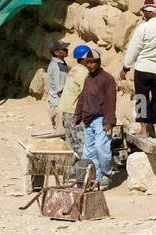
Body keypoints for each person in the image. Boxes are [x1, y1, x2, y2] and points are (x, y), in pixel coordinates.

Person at [121, 0, 156, 140]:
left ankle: (144, 130)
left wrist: (126, 67)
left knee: (141, 98)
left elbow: (134, 49)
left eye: (144, 11)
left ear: (150, 12)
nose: (143, 14)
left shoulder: (143, 28)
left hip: (143, 69)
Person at [71, 47, 117, 186]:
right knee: (88, 152)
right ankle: (95, 177)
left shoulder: (107, 79)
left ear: (99, 62)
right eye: (88, 63)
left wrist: (108, 121)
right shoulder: (88, 79)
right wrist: (77, 115)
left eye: (92, 63)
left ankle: (106, 175)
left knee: (101, 147)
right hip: (88, 120)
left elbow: (111, 101)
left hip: (101, 119)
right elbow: (82, 98)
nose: (89, 65)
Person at [59, 45, 90, 160]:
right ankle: (81, 173)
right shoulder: (84, 72)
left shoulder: (74, 69)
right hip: (75, 111)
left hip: (66, 109)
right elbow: (86, 93)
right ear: (83, 59)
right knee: (81, 143)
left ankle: (69, 172)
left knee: (70, 142)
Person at [46, 40, 70, 133]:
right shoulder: (58, 67)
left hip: (56, 105)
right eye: (63, 49)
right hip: (60, 106)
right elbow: (61, 91)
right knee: (62, 135)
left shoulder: (58, 64)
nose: (66, 50)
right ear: (56, 53)